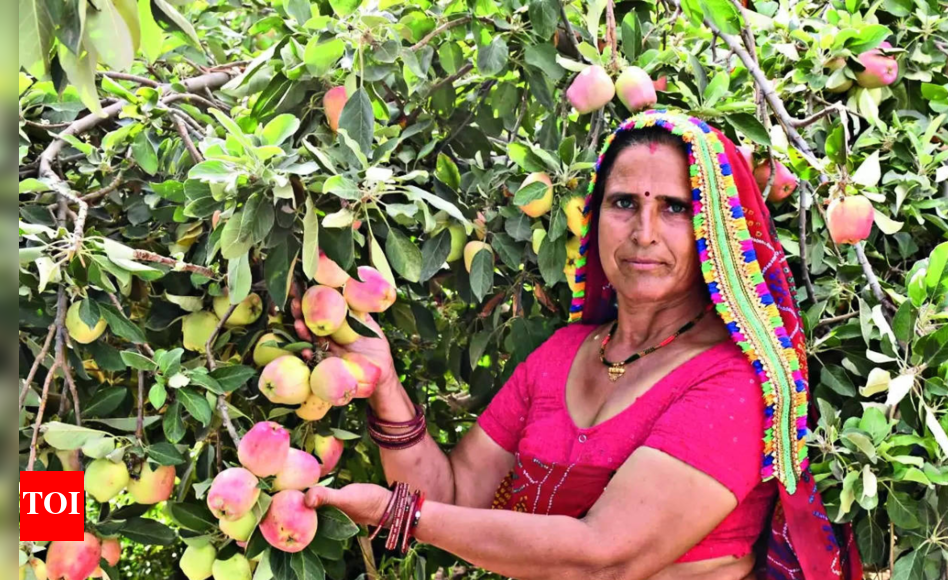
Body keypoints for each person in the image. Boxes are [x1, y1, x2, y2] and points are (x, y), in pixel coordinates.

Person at [306, 110, 861, 580]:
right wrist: (385, 386)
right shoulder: (562, 355)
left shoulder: (733, 382)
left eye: (675, 207)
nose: (644, 231)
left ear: (714, 228)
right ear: (595, 218)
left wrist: (396, 514)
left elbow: (604, 558)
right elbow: (453, 496)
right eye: (624, 203)